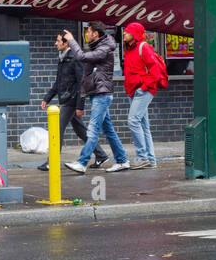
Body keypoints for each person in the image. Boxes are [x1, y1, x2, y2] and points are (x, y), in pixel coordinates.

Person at [62, 23, 129, 173]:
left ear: (96, 34)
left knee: (92, 130)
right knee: (109, 130)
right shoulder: (99, 46)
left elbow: (81, 57)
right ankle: (122, 160)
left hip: (102, 95)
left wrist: (72, 40)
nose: (86, 34)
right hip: (98, 94)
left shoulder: (103, 49)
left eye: (89, 31)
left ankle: (82, 162)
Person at [39, 31, 107, 171]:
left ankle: (51, 162)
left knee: (56, 129)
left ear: (66, 43)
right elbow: (58, 82)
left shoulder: (75, 59)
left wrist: (79, 106)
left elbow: (82, 83)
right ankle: (101, 155)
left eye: (58, 41)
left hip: (71, 100)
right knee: (80, 130)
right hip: (66, 98)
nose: (55, 43)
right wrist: (47, 98)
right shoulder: (63, 58)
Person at [121, 21, 161, 169]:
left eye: (127, 32)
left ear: (135, 34)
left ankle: (142, 156)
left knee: (133, 120)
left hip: (142, 91)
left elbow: (155, 71)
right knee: (144, 126)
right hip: (134, 91)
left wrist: (143, 87)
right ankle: (150, 159)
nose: (124, 33)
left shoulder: (144, 47)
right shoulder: (129, 49)